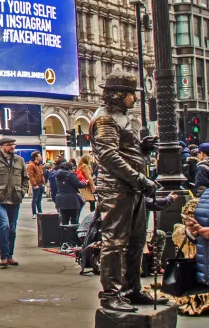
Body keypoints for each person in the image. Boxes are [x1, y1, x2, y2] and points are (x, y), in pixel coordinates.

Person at [90, 70, 164, 312]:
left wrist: (142, 149)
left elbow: (124, 152)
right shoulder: (105, 119)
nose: (135, 98)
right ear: (119, 94)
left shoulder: (123, 117)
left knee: (136, 240)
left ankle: (131, 289)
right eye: (132, 94)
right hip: (116, 189)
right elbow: (109, 156)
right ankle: (111, 294)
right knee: (115, 242)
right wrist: (141, 179)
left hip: (131, 187)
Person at [0, 136, 28, 267]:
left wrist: (22, 191)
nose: (12, 147)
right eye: (9, 145)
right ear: (1, 146)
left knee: (12, 229)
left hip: (15, 198)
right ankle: (3, 256)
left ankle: (9, 256)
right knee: (4, 226)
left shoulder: (20, 160)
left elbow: (25, 178)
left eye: (13, 145)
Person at [54, 161, 87, 226]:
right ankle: (73, 234)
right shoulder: (70, 174)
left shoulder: (57, 175)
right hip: (71, 199)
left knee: (64, 218)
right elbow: (78, 184)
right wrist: (85, 183)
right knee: (74, 218)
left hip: (60, 198)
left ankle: (64, 234)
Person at [27, 151, 45, 218]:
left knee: (39, 200)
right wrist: (34, 184)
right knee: (35, 199)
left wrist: (43, 183)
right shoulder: (31, 165)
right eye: (39, 156)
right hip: (36, 185)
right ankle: (34, 213)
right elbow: (30, 176)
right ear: (36, 157)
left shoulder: (40, 165)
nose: (41, 157)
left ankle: (40, 212)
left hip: (41, 184)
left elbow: (42, 174)